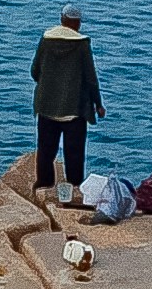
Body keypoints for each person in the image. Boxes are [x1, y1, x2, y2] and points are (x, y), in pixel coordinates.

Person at [31, 11, 100, 201]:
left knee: (45, 149)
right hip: (74, 108)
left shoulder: (46, 39)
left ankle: (44, 185)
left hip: (47, 106)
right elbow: (90, 78)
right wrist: (98, 104)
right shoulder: (81, 44)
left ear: (62, 20)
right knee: (74, 152)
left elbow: (35, 70)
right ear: (76, 23)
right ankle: (74, 189)